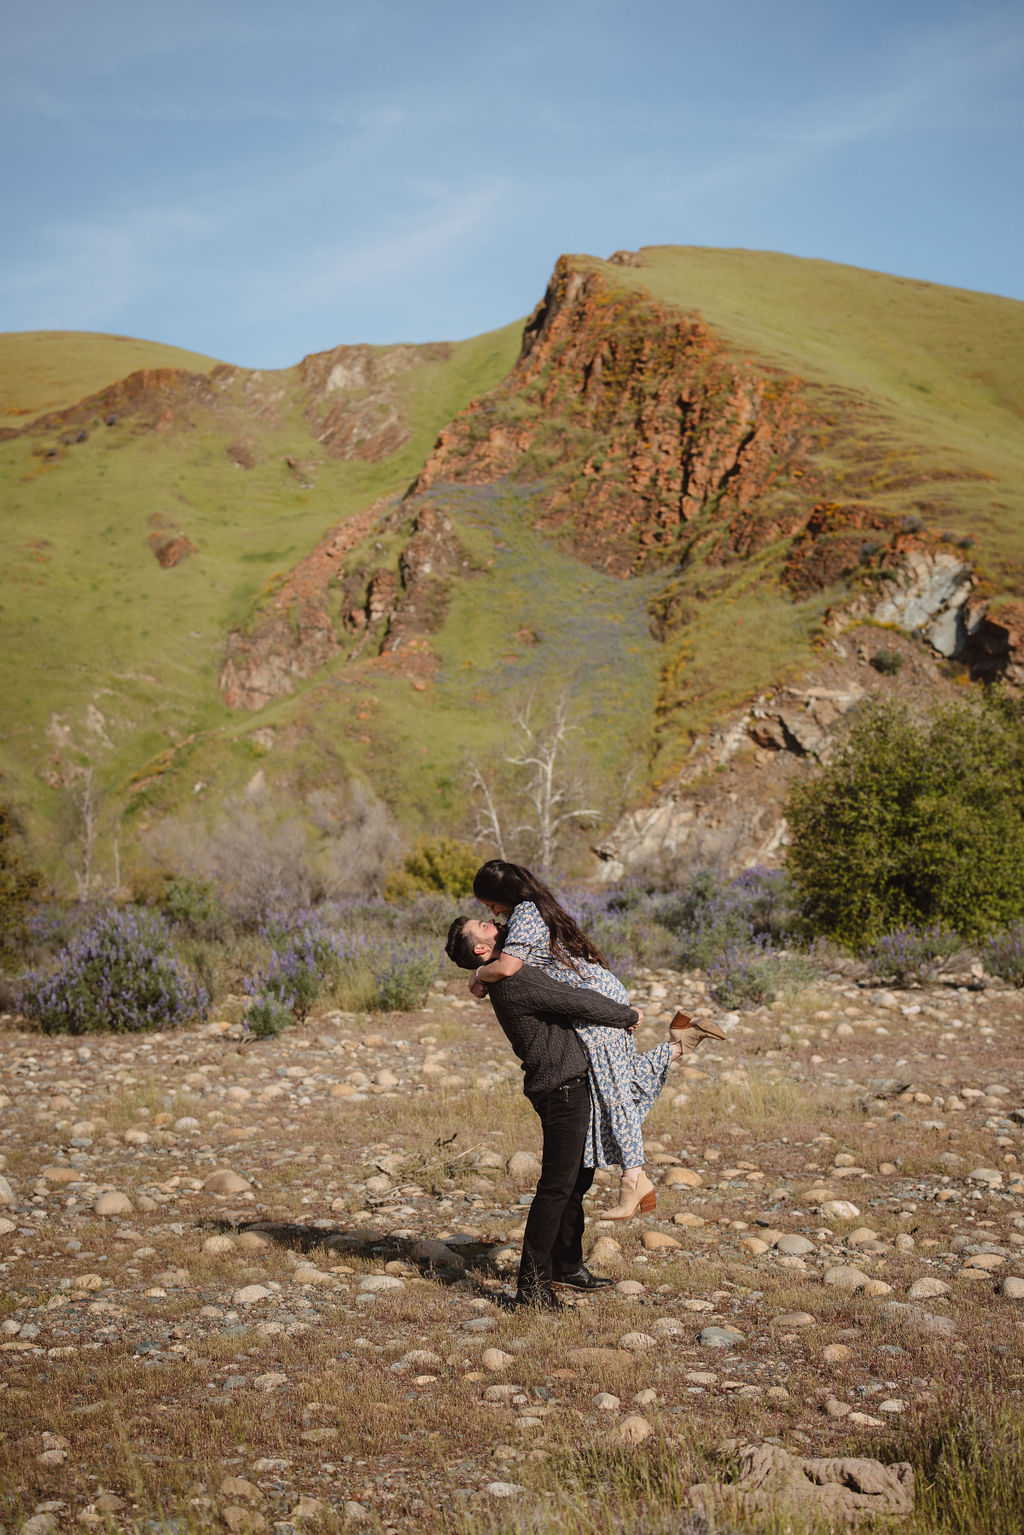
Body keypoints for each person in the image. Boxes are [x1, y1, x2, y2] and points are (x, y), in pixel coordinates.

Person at [468, 859, 727, 1219]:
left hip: (591, 1003)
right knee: (621, 1079)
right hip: (593, 994)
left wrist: (478, 974)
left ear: (504, 894)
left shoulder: (525, 914)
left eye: (490, 904)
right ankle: (681, 1042)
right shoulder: (531, 911)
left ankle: (634, 1181)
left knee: (614, 1091)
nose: (493, 911)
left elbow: (509, 968)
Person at [445, 913, 641, 1309]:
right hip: (561, 1090)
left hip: (569, 1084)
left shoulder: (506, 971)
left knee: (578, 1179)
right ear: (482, 948)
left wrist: (479, 975)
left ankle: (566, 1265)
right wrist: (627, 1015)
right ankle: (532, 1288)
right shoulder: (514, 979)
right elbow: (575, 1000)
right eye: (483, 925)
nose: (492, 922)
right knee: (556, 1186)